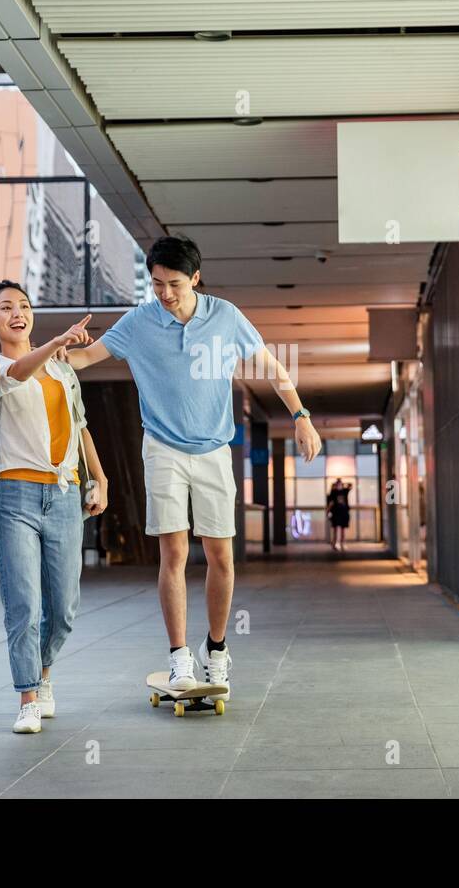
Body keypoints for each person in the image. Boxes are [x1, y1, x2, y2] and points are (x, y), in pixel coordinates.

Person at [67, 235, 322, 697]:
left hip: (213, 451)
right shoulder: (138, 322)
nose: (165, 293)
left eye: (175, 284)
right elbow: (85, 359)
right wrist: (64, 347)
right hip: (161, 448)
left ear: (196, 279)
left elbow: (272, 367)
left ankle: (217, 650)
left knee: (221, 556)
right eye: (157, 283)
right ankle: (179, 657)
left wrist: (301, 417)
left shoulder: (225, 317)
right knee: (174, 554)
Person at [0, 281, 108, 733]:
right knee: (24, 603)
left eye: (24, 306)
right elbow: (15, 376)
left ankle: (44, 672)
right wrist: (55, 342)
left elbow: (81, 426)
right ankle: (28, 697)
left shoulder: (63, 370)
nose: (18, 313)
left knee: (65, 605)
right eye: (6, 308)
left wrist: (100, 477)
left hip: (64, 493)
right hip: (15, 494)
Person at [326, 478, 351, 552]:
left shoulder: (344, 491)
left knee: (343, 529)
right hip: (336, 513)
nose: (339, 486)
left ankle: (342, 543)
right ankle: (334, 543)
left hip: (343, 512)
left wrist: (343, 484)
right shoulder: (333, 492)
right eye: (338, 484)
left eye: (340, 484)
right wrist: (328, 511)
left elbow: (350, 485)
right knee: (335, 529)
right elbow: (331, 503)